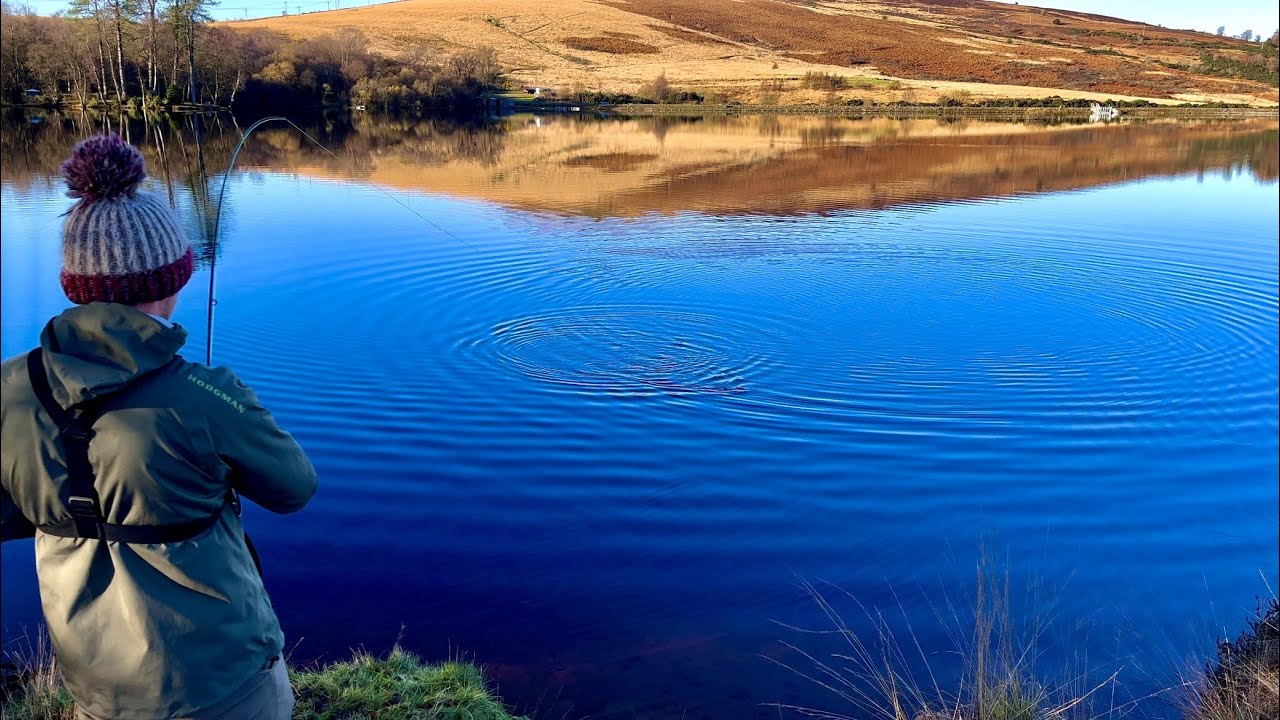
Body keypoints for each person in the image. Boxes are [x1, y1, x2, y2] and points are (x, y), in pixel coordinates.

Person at [0, 134, 317, 720]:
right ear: (171, 281)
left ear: (78, 284)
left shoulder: (8, 390)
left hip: (96, 686)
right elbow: (296, 489)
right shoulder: (206, 394)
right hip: (226, 686)